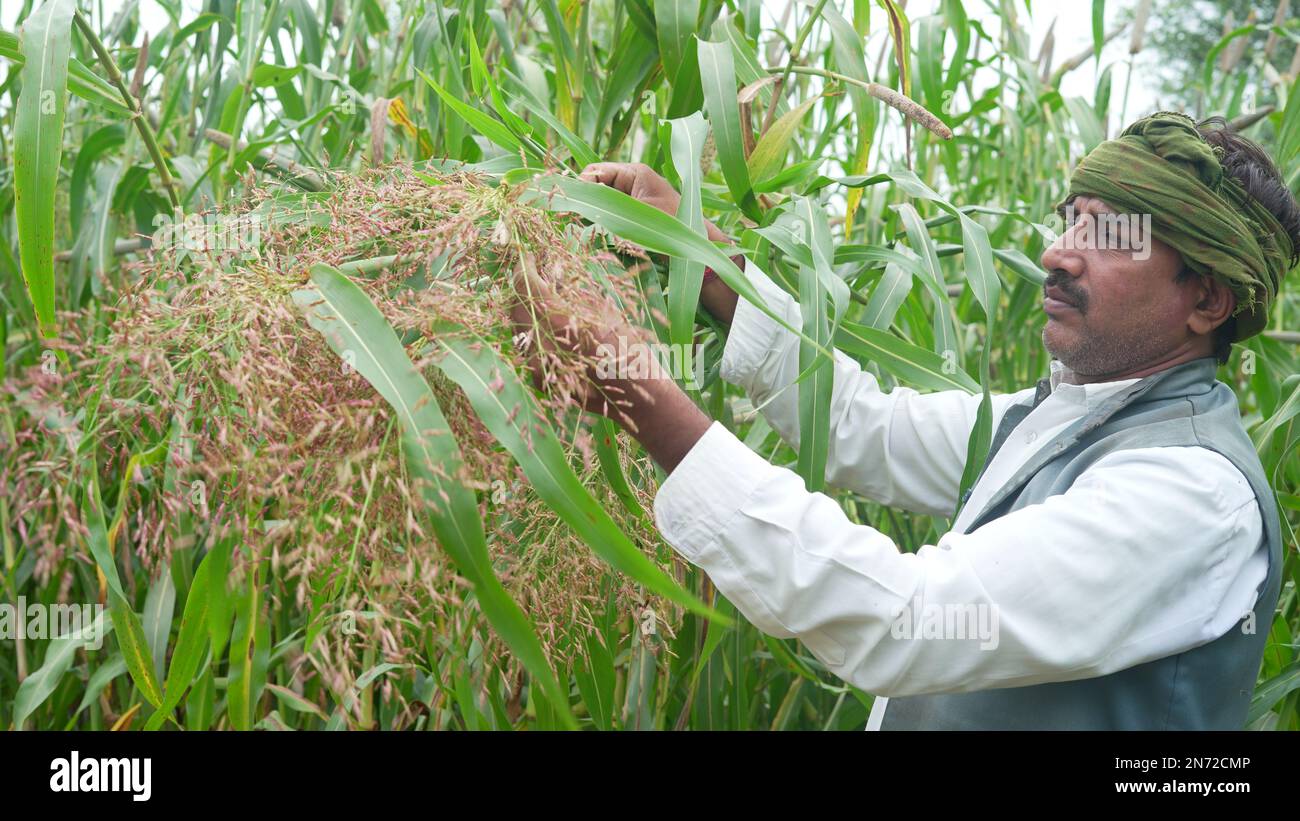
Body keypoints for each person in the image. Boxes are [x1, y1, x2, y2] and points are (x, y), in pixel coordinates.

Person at [509, 111, 1296, 729]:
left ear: (1207, 301)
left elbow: (913, 620)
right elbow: (857, 424)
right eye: (1074, 219)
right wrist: (701, 254)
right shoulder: (1054, 419)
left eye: (1115, 236)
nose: (1059, 254)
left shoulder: (1191, 497)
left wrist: (644, 396)